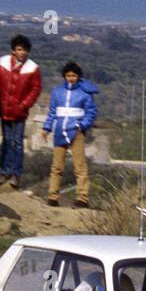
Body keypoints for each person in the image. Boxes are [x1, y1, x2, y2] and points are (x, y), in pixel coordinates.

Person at [43, 61, 98, 208]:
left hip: (77, 131)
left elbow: (91, 112)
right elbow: (52, 112)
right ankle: (52, 196)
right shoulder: (57, 92)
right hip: (60, 130)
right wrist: (47, 127)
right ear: (64, 76)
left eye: (73, 75)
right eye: (68, 75)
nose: (71, 78)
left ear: (78, 76)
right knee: (57, 166)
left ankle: (82, 197)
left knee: (79, 166)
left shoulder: (85, 93)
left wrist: (82, 125)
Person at [0, 34, 42, 188]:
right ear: (13, 50)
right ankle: (5, 171)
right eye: (19, 49)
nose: (22, 52)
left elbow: (36, 88)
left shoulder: (32, 68)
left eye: (25, 50)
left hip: (19, 112)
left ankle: (16, 174)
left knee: (17, 142)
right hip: (5, 109)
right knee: (7, 141)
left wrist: (24, 104)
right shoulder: (3, 62)